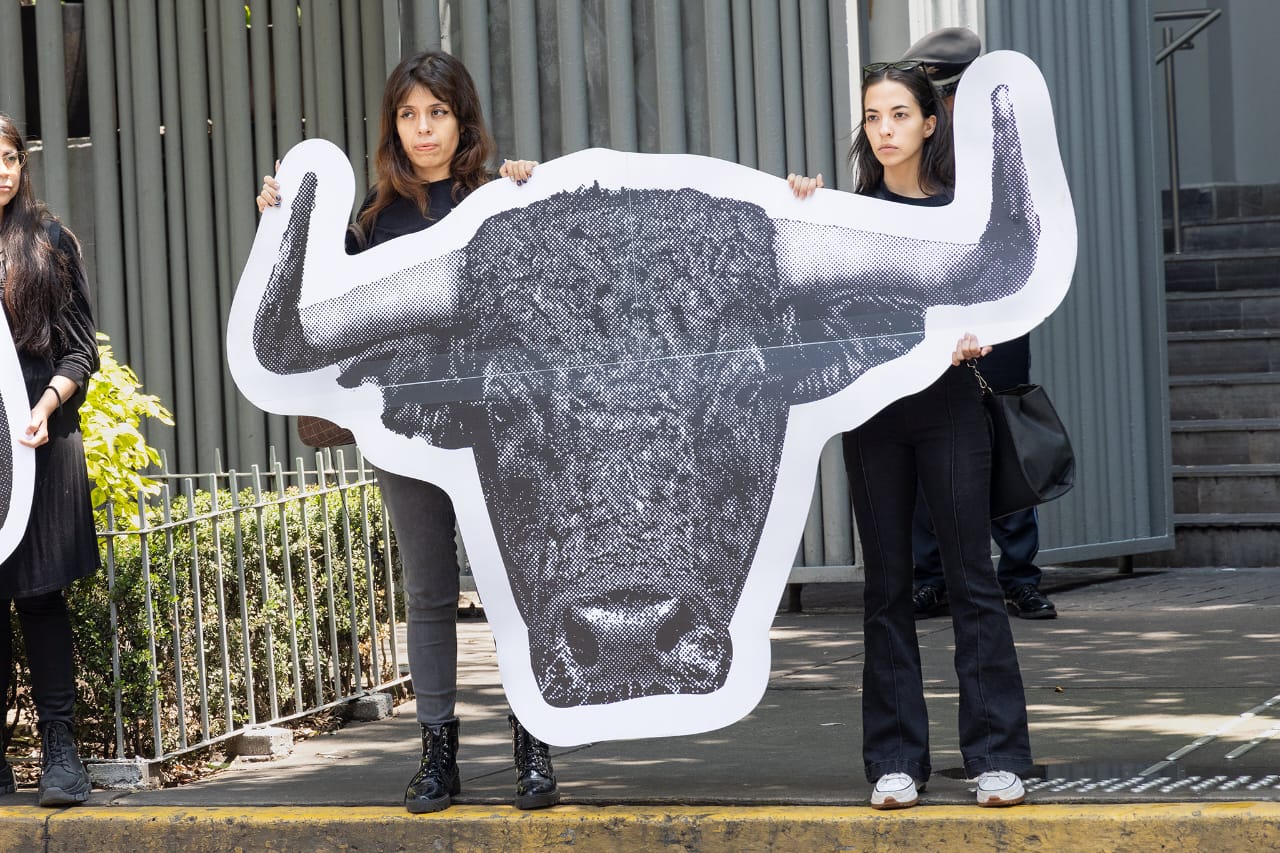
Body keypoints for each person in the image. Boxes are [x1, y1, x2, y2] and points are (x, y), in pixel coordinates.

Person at [256, 50, 556, 814]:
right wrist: (279, 220)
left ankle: (535, 747)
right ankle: (436, 755)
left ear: (464, 122)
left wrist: (534, 196)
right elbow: (309, 313)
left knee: (514, 587)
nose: (424, 130)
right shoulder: (368, 224)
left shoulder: (503, 200)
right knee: (428, 591)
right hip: (407, 431)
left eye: (439, 114)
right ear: (393, 126)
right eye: (409, 115)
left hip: (499, 430)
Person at [789, 60, 1032, 809]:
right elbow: (809, 299)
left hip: (952, 407)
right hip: (873, 413)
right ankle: (895, 759)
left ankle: (997, 756)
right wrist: (797, 212)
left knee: (972, 577)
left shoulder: (965, 212)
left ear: (931, 123)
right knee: (887, 585)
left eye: (899, 114)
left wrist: (976, 334)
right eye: (873, 117)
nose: (886, 129)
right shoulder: (846, 214)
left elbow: (1006, 294)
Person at [898, 27, 1055, 621]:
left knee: (1005, 433)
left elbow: (1030, 225)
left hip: (999, 311)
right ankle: (931, 576)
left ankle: (1019, 576)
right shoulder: (918, 141)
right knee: (922, 433)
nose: (938, 102)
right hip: (935, 313)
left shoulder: (1006, 142)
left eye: (942, 90)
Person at [0, 114, 100, 807]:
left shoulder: (49, 242)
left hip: (39, 436)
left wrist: (46, 405)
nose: (1, 169)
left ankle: (62, 751)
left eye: (9, 156)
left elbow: (80, 350)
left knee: (40, 596)